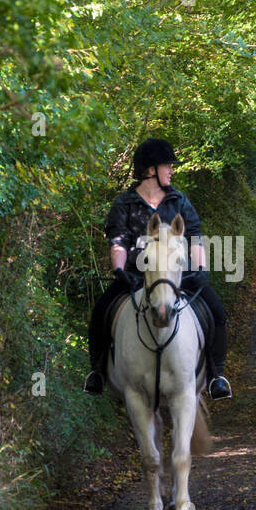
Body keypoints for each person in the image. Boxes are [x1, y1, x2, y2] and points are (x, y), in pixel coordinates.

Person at [83, 138, 232, 400]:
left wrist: (200, 270)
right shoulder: (125, 203)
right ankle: (97, 372)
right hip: (135, 277)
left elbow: (195, 239)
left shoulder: (179, 201)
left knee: (217, 313)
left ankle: (215, 375)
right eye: (167, 165)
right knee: (100, 312)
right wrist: (119, 271)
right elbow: (118, 241)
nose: (172, 170)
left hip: (178, 278)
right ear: (150, 169)